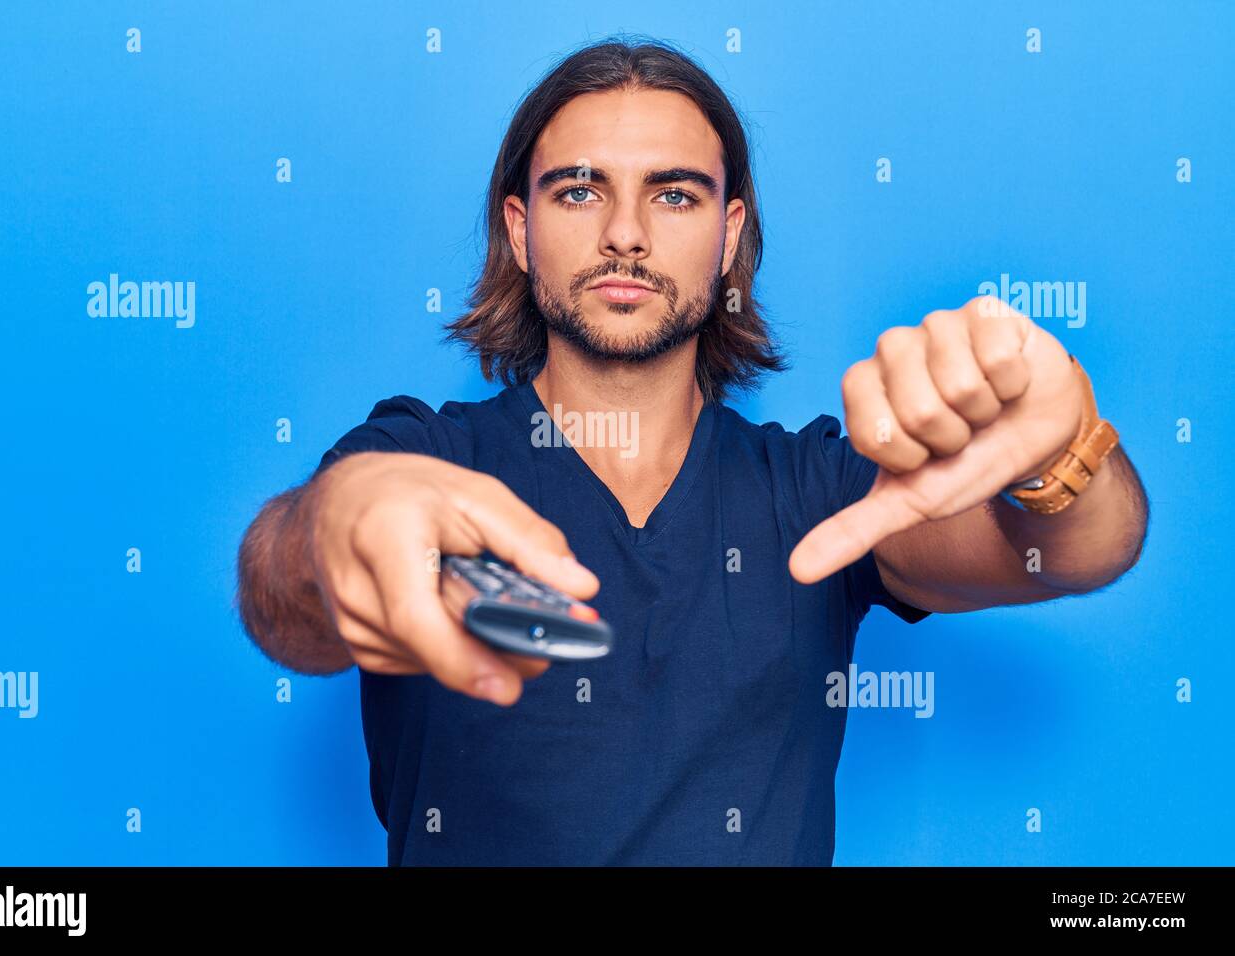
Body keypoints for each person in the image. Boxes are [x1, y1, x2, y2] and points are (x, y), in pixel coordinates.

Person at [235, 39, 1149, 865]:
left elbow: (1077, 548)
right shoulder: (425, 457)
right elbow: (284, 590)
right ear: (520, 232)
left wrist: (1062, 450)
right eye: (580, 190)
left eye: (674, 194)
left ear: (728, 238)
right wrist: (331, 523)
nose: (624, 234)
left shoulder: (821, 491)